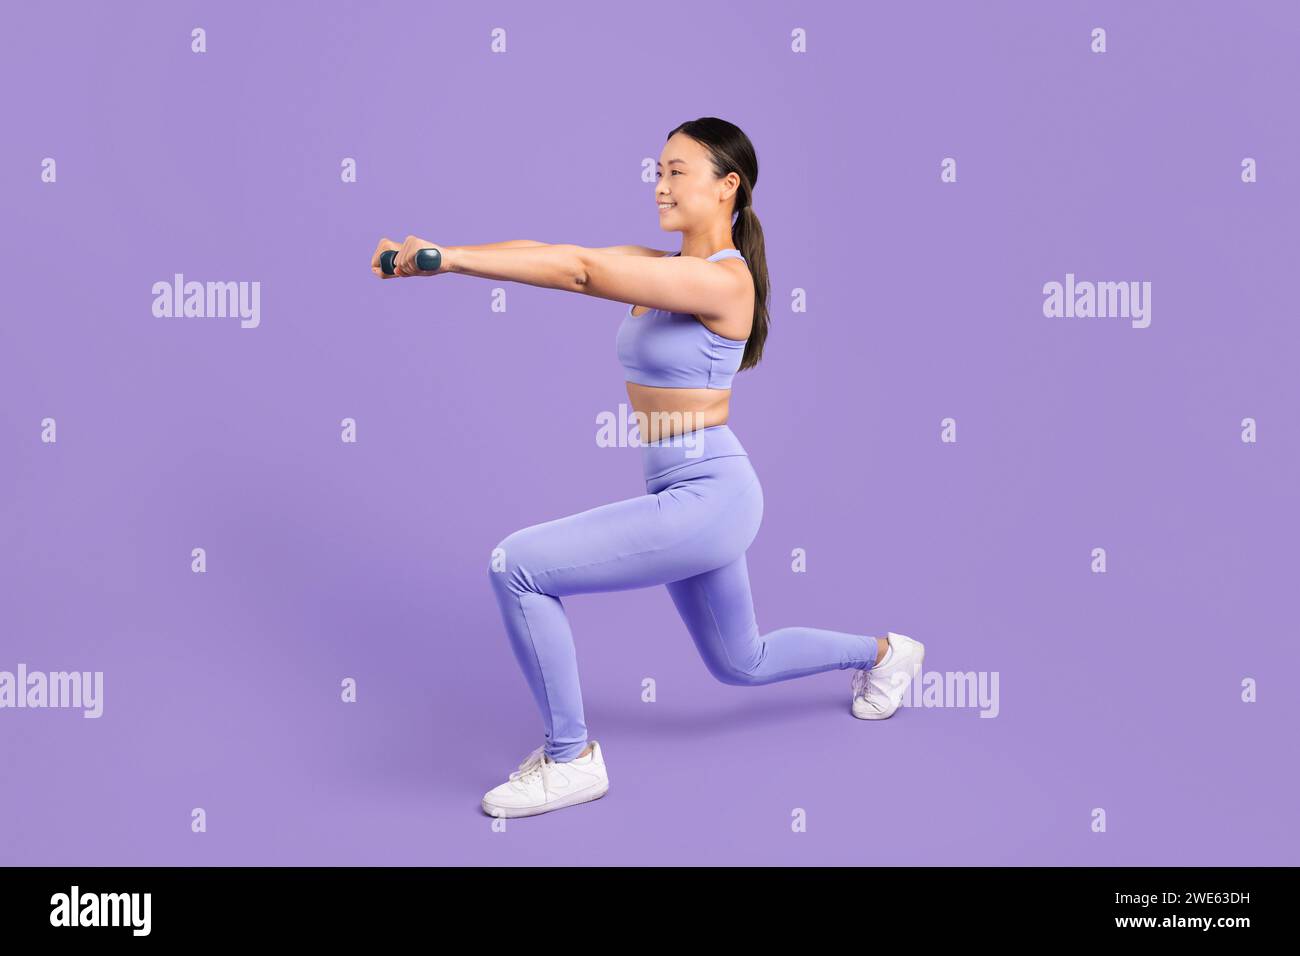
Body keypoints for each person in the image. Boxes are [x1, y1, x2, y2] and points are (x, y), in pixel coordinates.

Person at [371, 117, 925, 820]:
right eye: (656, 170)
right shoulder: (660, 268)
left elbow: (582, 270)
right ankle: (886, 653)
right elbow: (553, 254)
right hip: (680, 486)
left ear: (729, 187)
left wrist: (450, 261)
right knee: (740, 661)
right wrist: (443, 253)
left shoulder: (727, 282)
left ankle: (570, 759)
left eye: (677, 171)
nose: (659, 184)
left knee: (518, 566)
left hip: (710, 493)